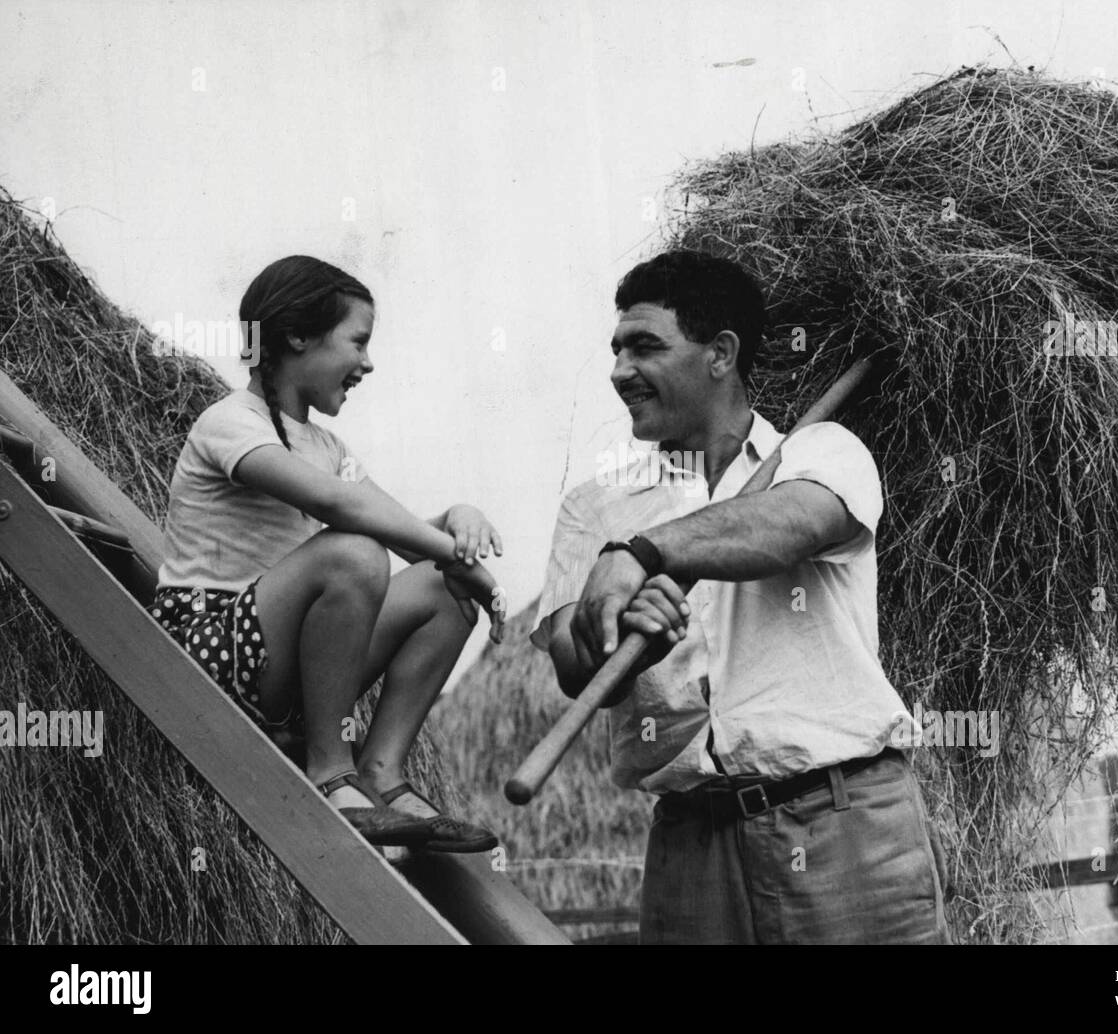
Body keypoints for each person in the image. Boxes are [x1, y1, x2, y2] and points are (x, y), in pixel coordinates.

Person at [531, 250, 951, 942]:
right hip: (690, 843)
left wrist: (640, 553)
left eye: (645, 347)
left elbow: (789, 529)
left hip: (841, 825)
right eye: (615, 350)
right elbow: (575, 672)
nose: (619, 372)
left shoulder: (820, 453)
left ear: (720, 353)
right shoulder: (592, 508)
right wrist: (621, 643)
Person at [151, 255, 503, 851]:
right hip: (210, 654)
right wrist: (453, 550)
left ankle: (381, 771)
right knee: (354, 554)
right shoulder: (230, 422)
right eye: (358, 342)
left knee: (446, 586)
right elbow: (348, 513)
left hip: (285, 671)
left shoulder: (327, 444)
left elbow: (399, 526)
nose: (367, 363)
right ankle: (328, 769)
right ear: (296, 336)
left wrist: (458, 521)